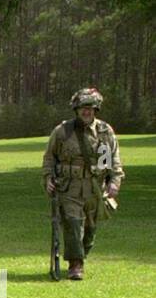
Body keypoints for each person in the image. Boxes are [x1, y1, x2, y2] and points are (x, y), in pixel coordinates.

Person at [42, 87, 124, 280]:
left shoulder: (105, 131)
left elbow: (114, 159)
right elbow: (49, 158)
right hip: (69, 187)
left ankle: (80, 255)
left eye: (91, 108)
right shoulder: (62, 131)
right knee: (72, 223)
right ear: (76, 109)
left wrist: (115, 181)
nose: (86, 112)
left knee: (90, 229)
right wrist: (47, 178)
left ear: (96, 110)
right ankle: (75, 265)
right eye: (83, 108)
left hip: (95, 189)